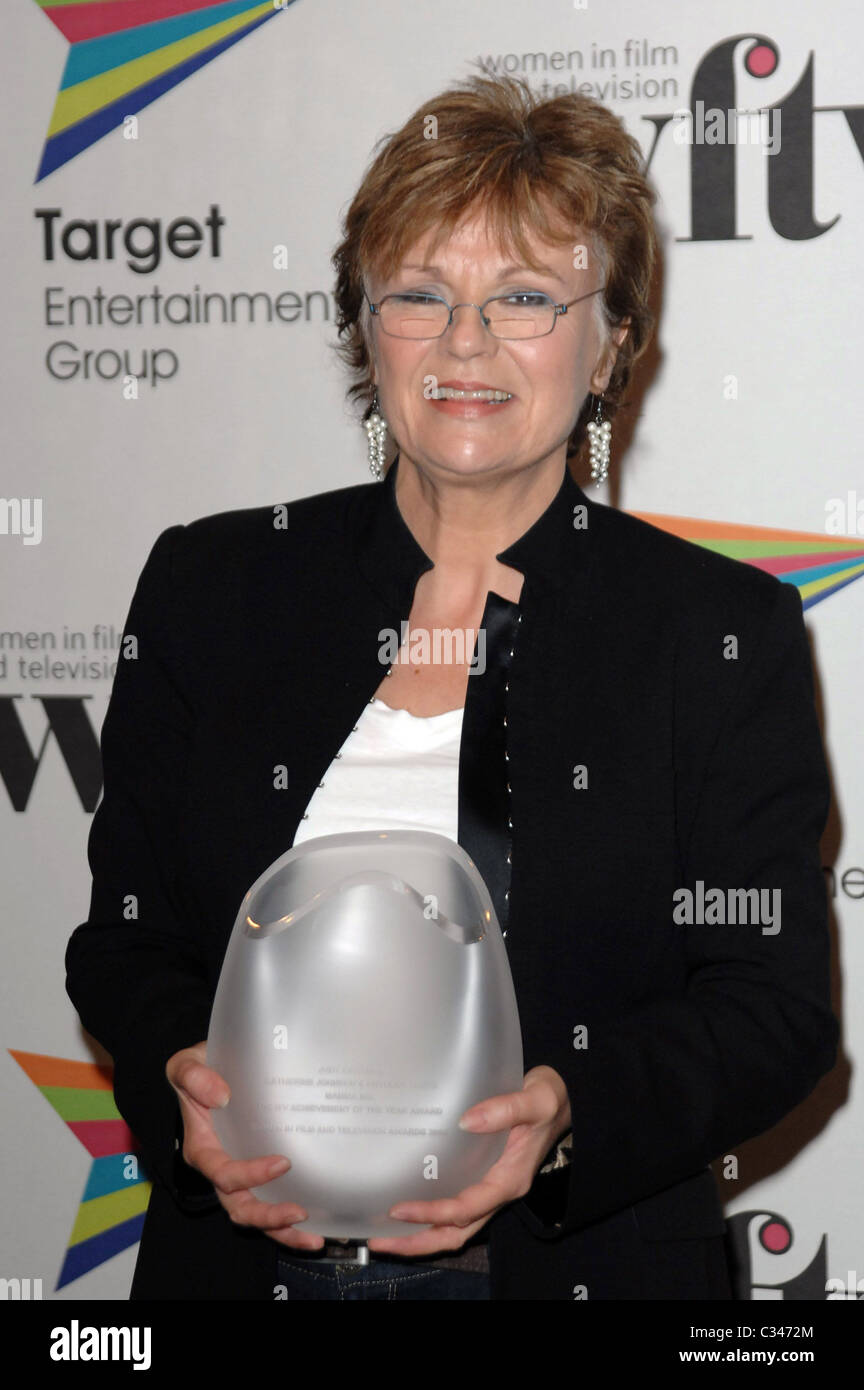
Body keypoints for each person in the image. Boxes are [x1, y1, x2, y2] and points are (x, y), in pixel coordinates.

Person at [65, 73, 838, 1301]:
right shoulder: (215, 583)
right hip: (235, 1268)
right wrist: (180, 1075)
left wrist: (568, 1118)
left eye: (524, 297)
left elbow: (774, 1006)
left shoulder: (713, 631)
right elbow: (125, 936)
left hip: (576, 1273)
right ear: (366, 329)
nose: (466, 340)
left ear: (612, 344)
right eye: (420, 293)